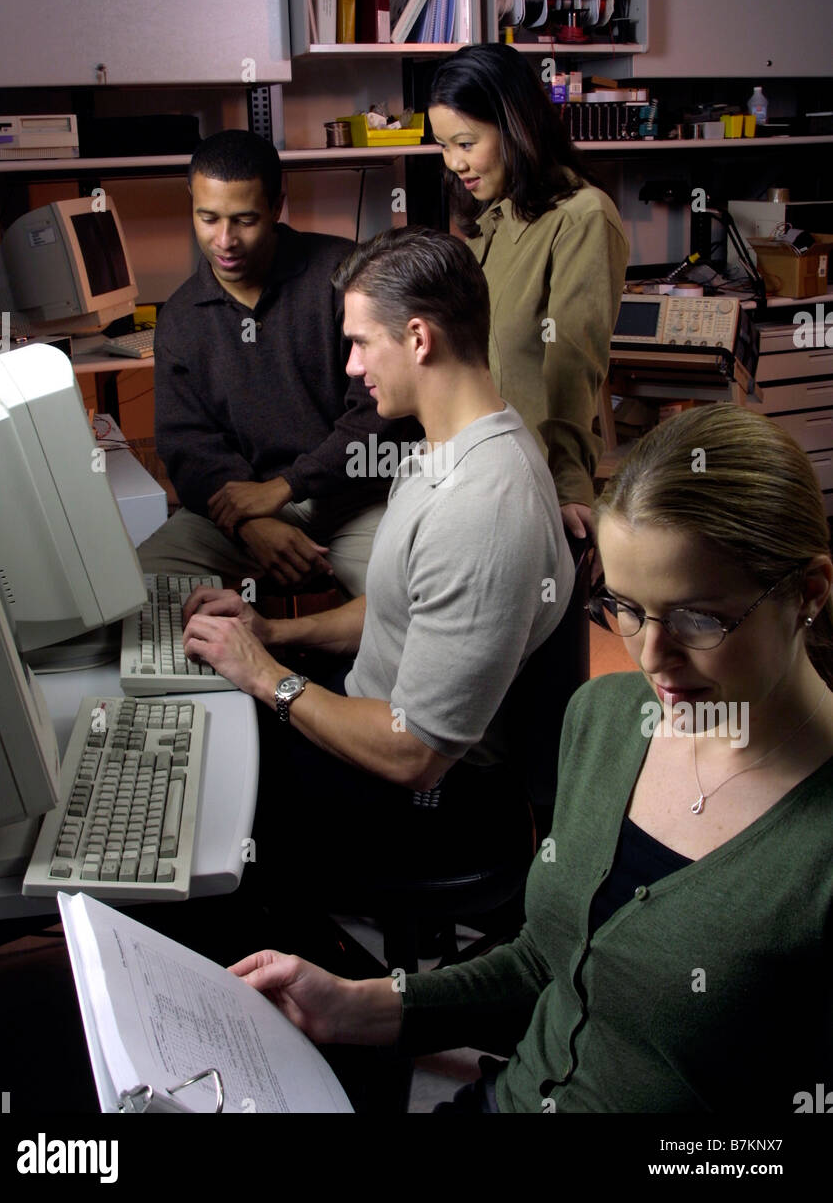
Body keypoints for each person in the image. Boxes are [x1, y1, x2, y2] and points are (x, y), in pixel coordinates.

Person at [223, 402, 833, 1112]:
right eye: (626, 609)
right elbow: (550, 962)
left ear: (808, 594)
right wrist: (357, 1006)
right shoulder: (605, 721)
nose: (653, 660)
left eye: (699, 617)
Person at [181, 225, 574, 881]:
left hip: (422, 798)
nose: (353, 367)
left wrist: (264, 675)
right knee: (204, 735)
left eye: (362, 342)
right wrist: (272, 632)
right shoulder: (444, 446)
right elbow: (403, 607)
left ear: (419, 339)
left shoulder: (481, 506)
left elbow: (413, 753)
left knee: (199, 819)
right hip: (367, 719)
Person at [137, 129, 414, 597]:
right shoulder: (181, 319)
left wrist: (289, 483)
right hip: (242, 511)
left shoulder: (345, 276)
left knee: (407, 598)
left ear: (277, 205)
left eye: (244, 220)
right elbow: (189, 448)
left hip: (355, 501)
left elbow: (381, 412)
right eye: (208, 218)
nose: (225, 240)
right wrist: (248, 525)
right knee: (136, 592)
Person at [427, 43, 629, 540]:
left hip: (531, 486)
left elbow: (573, 367)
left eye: (467, 143)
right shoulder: (493, 216)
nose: (454, 162)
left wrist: (569, 488)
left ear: (514, 125)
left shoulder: (582, 217)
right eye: (444, 146)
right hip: (469, 473)